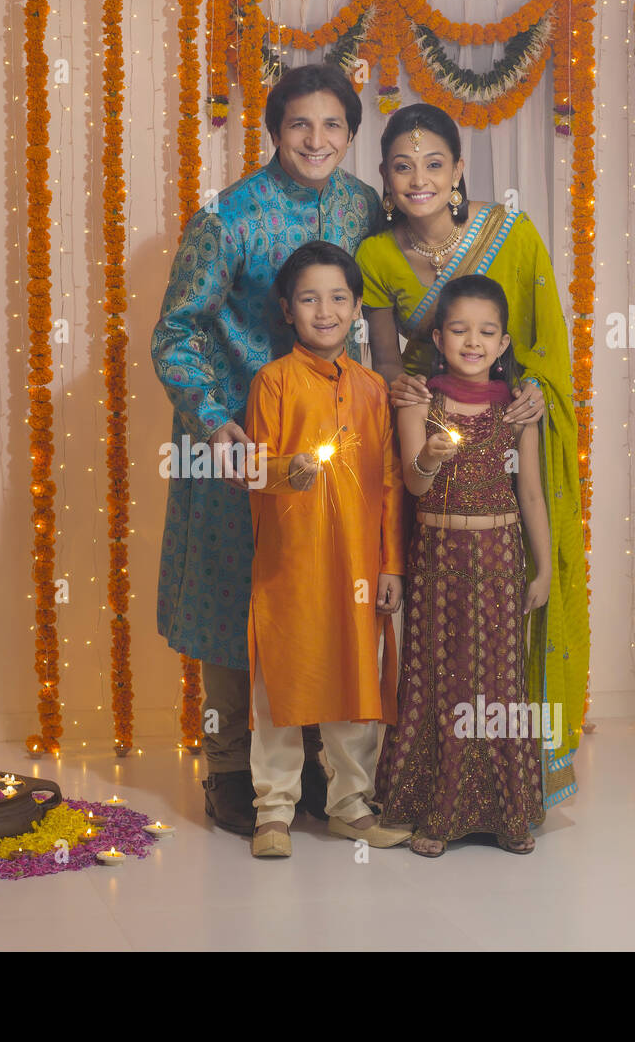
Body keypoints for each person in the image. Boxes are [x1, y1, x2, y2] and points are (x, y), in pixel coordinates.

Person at [152, 65, 384, 835]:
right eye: (298, 125)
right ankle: (226, 769)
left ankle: (315, 768)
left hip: (333, 443)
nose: (316, 141)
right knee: (235, 603)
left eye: (333, 128)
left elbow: (382, 303)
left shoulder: (361, 206)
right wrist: (217, 422)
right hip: (241, 446)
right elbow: (177, 330)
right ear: (273, 130)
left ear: (351, 135)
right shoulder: (229, 215)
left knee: (321, 594)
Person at [356, 103, 588, 810]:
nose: (418, 178)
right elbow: (394, 365)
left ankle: (505, 784)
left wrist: (536, 397)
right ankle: (434, 779)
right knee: (436, 646)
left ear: (458, 170)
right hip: (430, 436)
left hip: (505, 427)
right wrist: (417, 423)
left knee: (495, 649)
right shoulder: (375, 255)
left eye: (433, 164)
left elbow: (545, 343)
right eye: (402, 166)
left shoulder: (512, 235)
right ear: (386, 179)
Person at [243, 241, 408, 858]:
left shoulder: (372, 391)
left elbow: (390, 483)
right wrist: (290, 470)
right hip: (291, 565)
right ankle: (273, 813)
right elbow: (251, 469)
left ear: (358, 307)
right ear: (287, 309)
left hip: (359, 566)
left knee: (355, 685)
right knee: (280, 686)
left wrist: (391, 564)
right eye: (309, 298)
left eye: (339, 297)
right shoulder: (274, 382)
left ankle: (350, 806)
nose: (325, 310)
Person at [374, 274, 549, 857]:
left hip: (500, 556)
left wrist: (543, 570)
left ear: (502, 344)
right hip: (438, 556)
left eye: (486, 332)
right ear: (439, 335)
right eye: (459, 330)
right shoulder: (419, 399)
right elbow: (414, 486)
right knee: (437, 678)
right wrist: (427, 455)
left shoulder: (521, 408)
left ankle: (507, 813)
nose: (472, 341)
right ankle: (435, 809)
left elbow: (530, 494)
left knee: (499, 680)